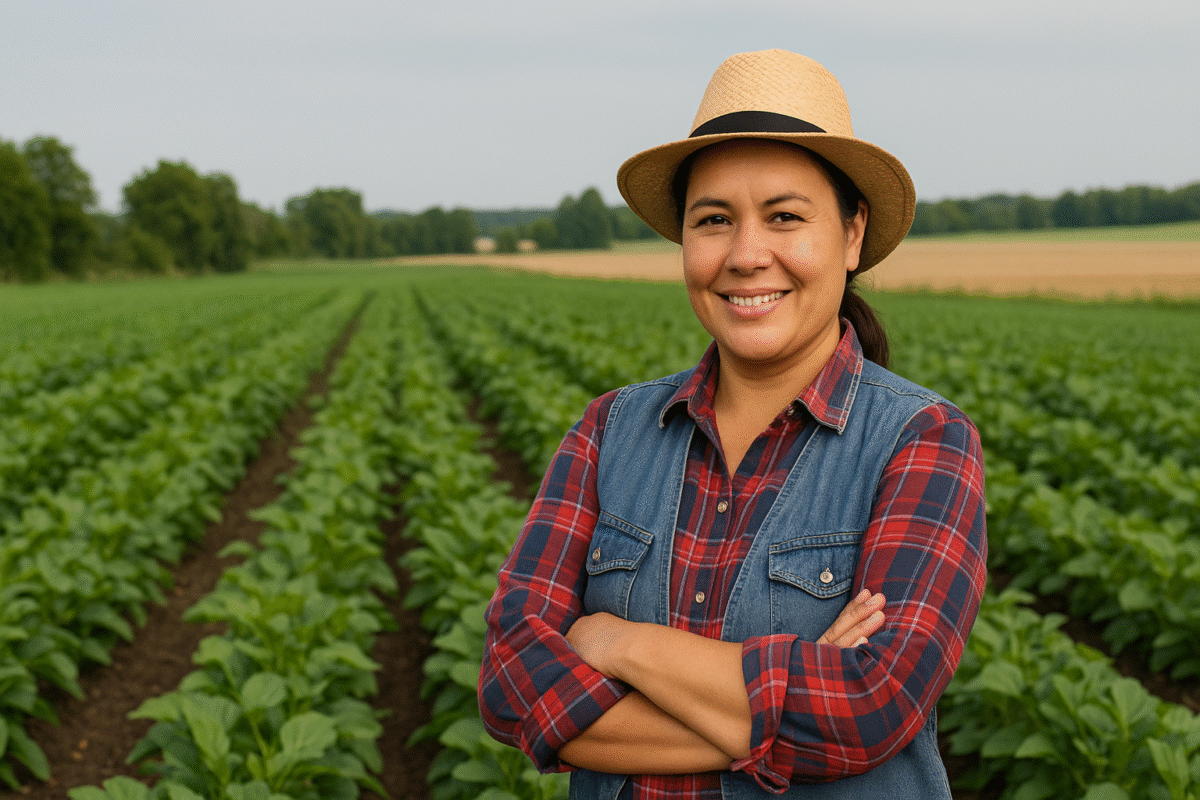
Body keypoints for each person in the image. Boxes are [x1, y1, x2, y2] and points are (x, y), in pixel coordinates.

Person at [478, 49, 987, 799]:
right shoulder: (609, 429)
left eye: (785, 216)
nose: (747, 255)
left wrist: (614, 642)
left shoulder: (923, 440)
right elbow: (512, 686)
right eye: (714, 220)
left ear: (852, 236)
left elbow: (870, 707)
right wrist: (781, 709)